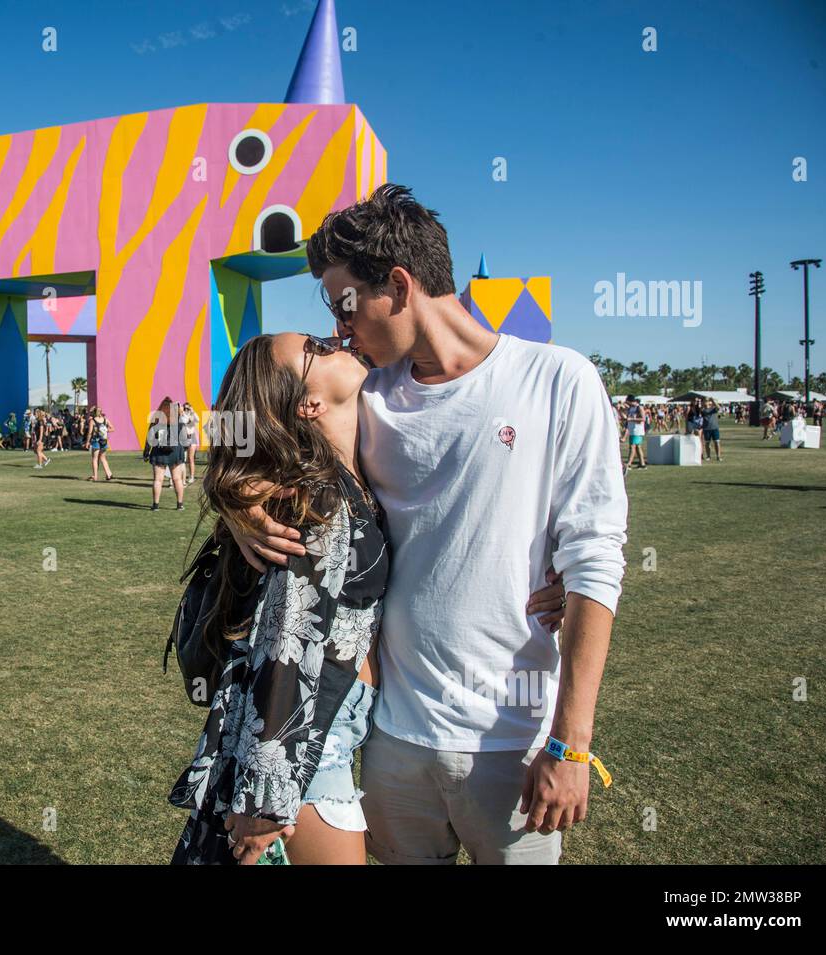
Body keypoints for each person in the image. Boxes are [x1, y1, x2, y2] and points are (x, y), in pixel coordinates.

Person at [229, 184, 627, 865]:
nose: (339, 329)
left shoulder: (559, 379)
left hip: (513, 745)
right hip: (393, 746)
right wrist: (238, 501)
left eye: (345, 305)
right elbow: (253, 435)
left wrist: (571, 743)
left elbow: (595, 561)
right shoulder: (368, 395)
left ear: (401, 285)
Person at [144, 398, 186, 511]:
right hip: (175, 450)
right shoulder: (177, 418)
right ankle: (179, 504)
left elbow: (149, 436)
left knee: (158, 480)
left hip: (159, 450)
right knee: (177, 479)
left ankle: (156, 505)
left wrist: (146, 452)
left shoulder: (157, 418)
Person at [85, 406, 115, 481]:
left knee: (95, 459)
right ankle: (109, 475)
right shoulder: (105, 420)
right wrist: (105, 430)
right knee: (103, 458)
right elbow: (113, 428)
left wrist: (87, 442)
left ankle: (95, 476)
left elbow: (90, 432)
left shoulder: (92, 421)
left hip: (96, 441)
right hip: (104, 441)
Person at [623, 395, 648, 473]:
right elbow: (627, 417)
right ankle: (642, 464)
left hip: (637, 430)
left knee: (632, 447)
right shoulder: (630, 408)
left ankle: (629, 464)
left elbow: (643, 419)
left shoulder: (639, 408)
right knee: (637, 447)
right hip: (632, 430)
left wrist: (632, 419)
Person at [178, 402, 201, 485]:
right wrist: (183, 412)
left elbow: (198, 419)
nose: (186, 410)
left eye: (188, 408)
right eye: (185, 408)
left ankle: (191, 476)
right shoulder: (182, 416)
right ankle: (182, 476)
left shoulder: (192, 415)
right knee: (183, 458)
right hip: (184, 438)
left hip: (192, 437)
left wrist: (192, 411)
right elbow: (184, 421)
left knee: (190, 458)